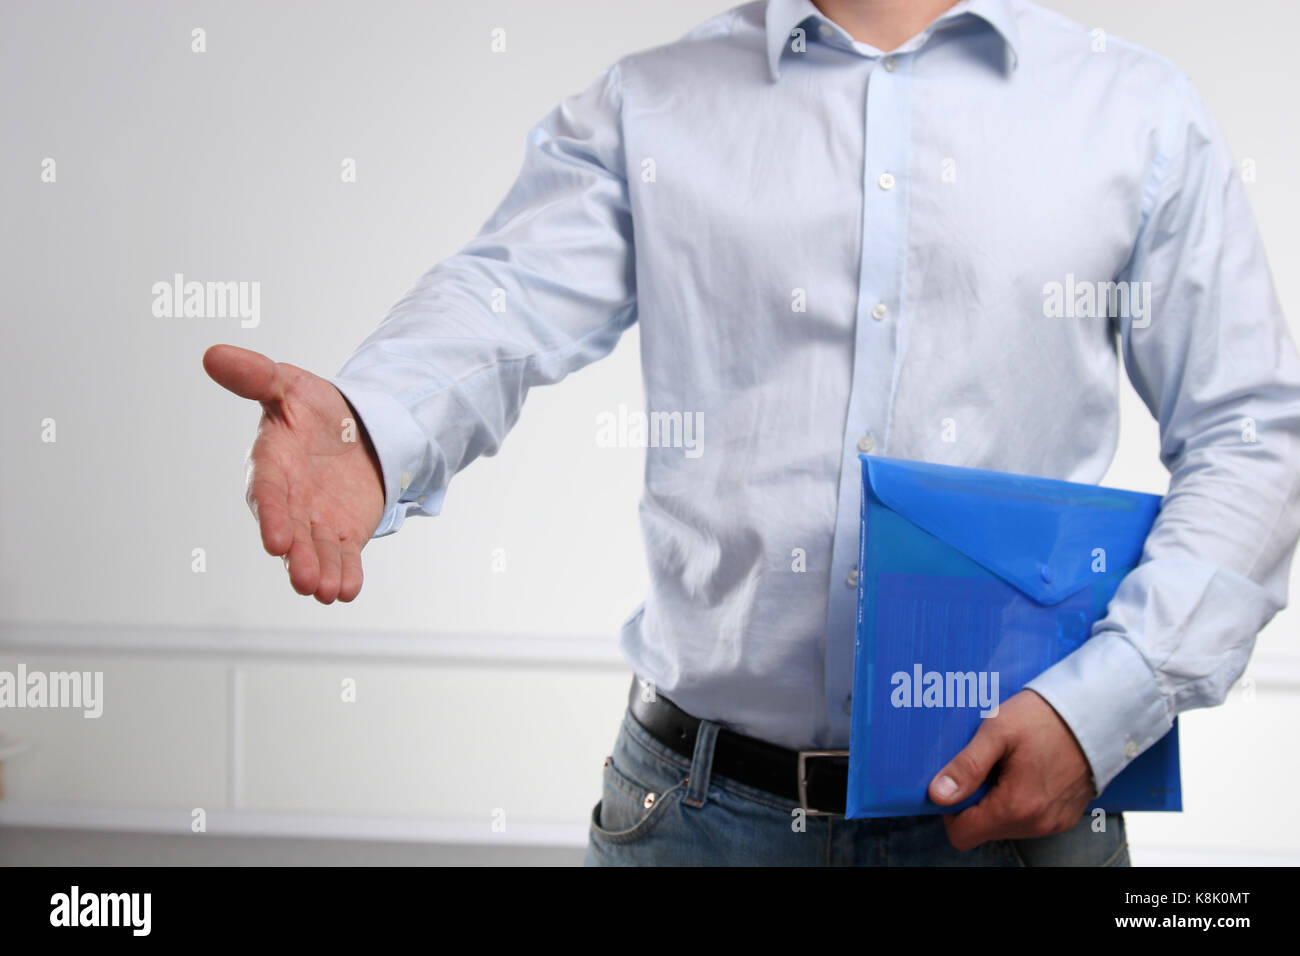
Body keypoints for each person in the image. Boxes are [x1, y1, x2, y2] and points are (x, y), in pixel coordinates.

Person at [203, 0, 1300, 866]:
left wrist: (1104, 701)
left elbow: (1252, 431)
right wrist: (372, 422)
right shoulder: (653, 107)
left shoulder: (1137, 114)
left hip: (1016, 816)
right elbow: (504, 300)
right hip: (690, 818)